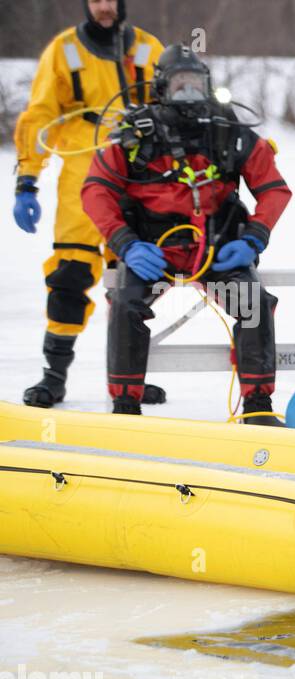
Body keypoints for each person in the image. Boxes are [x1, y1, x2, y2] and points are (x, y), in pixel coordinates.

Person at [81, 45, 293, 423]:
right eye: (180, 84)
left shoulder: (231, 132)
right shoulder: (134, 135)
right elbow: (96, 191)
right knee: (126, 305)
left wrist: (254, 238)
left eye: (196, 84)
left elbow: (273, 188)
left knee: (254, 304)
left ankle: (258, 408)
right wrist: (125, 244)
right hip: (152, 253)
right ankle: (125, 406)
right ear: (161, 87)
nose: (188, 92)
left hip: (217, 251)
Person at [11, 0, 163, 408]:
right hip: (82, 179)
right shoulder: (64, 51)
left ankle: (129, 378)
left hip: (136, 181)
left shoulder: (149, 49)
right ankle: (54, 376)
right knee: (69, 278)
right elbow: (38, 117)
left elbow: (178, 111)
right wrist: (28, 179)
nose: (105, 6)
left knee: (131, 288)